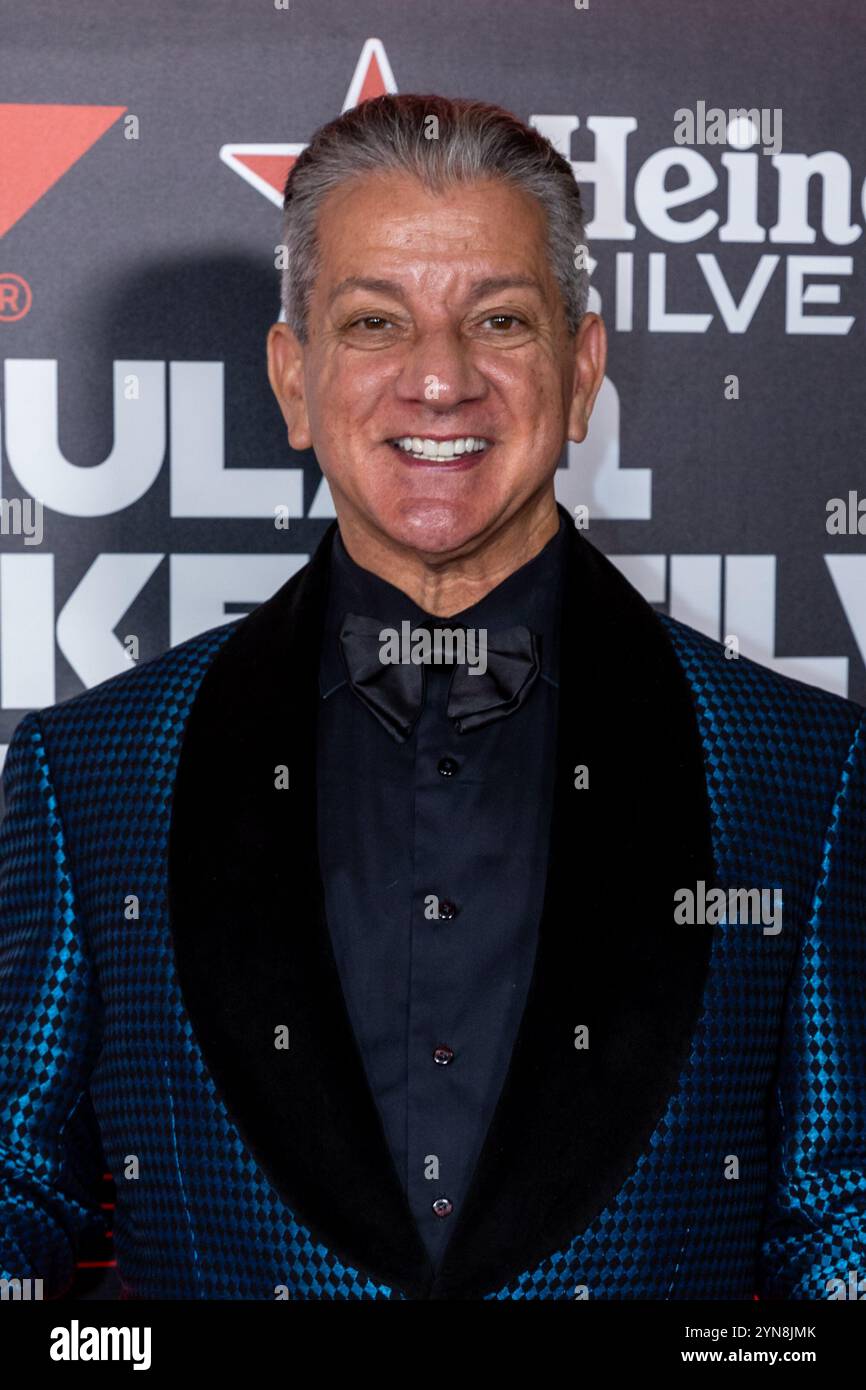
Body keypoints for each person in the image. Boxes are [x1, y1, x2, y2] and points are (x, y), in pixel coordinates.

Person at [1, 93, 864, 1302]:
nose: (439, 380)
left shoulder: (800, 772)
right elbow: (14, 1187)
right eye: (373, 322)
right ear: (294, 379)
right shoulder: (90, 773)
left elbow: (843, 1221)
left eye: (498, 319)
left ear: (581, 370)